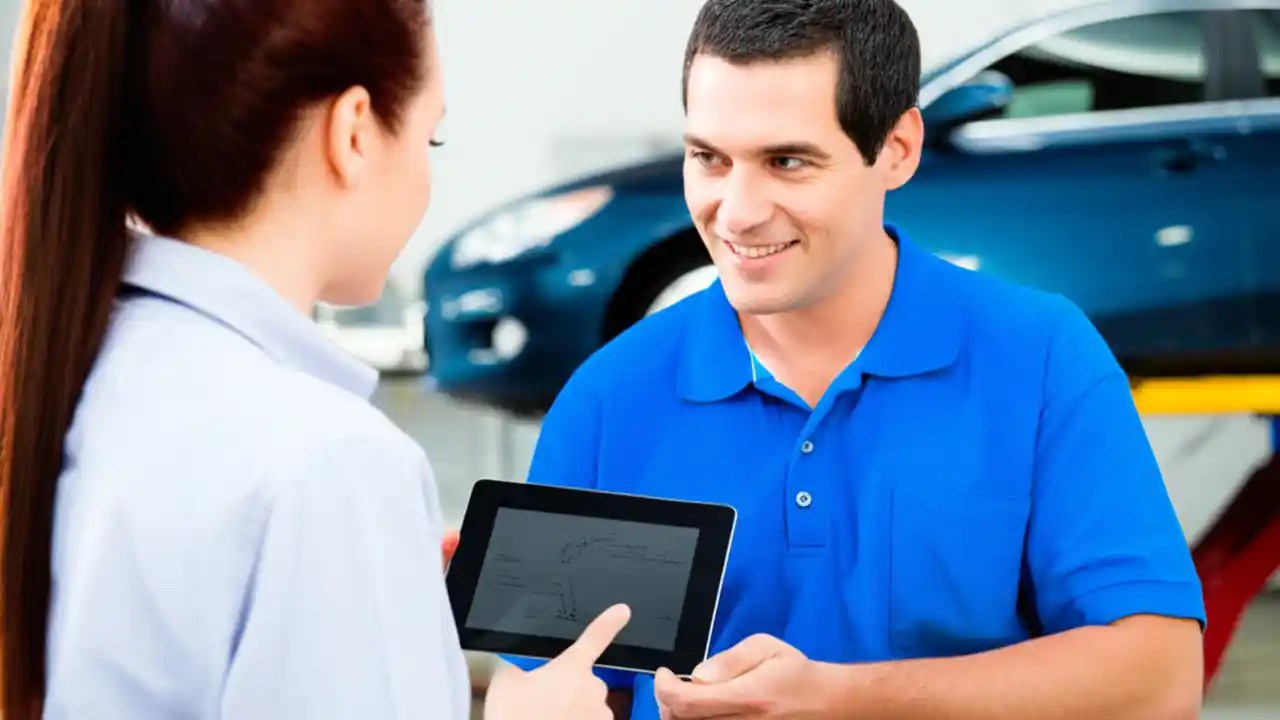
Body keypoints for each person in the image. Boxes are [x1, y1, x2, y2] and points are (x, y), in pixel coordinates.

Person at [498, 1, 1207, 718]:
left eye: (787, 162)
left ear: (897, 148)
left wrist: (841, 699)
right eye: (710, 159)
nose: (737, 211)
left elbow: (1158, 680)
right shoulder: (611, 399)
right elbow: (535, 684)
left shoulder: (1040, 357)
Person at [0, 1, 629, 718]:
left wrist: (364, 589)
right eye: (432, 136)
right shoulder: (329, 459)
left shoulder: (80, 370)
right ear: (353, 132)